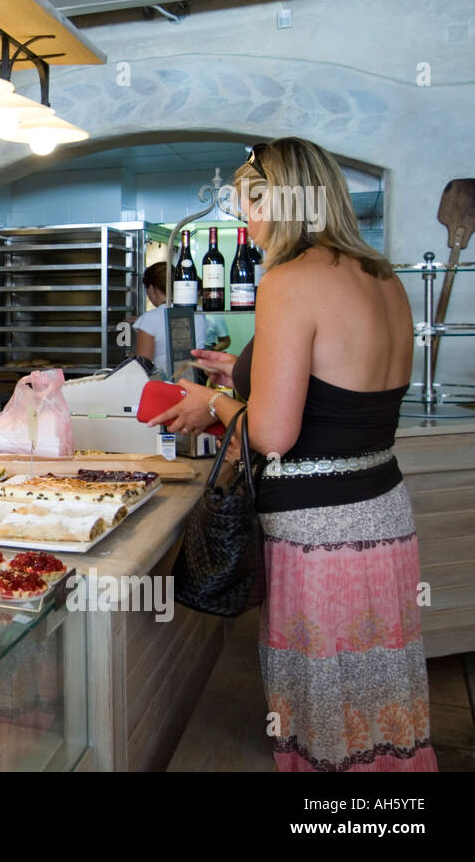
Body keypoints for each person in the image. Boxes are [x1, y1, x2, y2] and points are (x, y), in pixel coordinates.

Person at [149, 137, 435, 771]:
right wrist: (244, 372)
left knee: (326, 707)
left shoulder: (290, 278)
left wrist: (213, 404)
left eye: (253, 202)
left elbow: (274, 435)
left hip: (319, 530)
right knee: (379, 697)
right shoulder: (383, 278)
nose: (245, 218)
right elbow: (344, 392)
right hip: (384, 514)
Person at [132, 261, 226, 375]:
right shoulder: (198, 312)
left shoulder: (148, 319)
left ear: (151, 288)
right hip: (193, 381)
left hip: (165, 386)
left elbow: (143, 368)